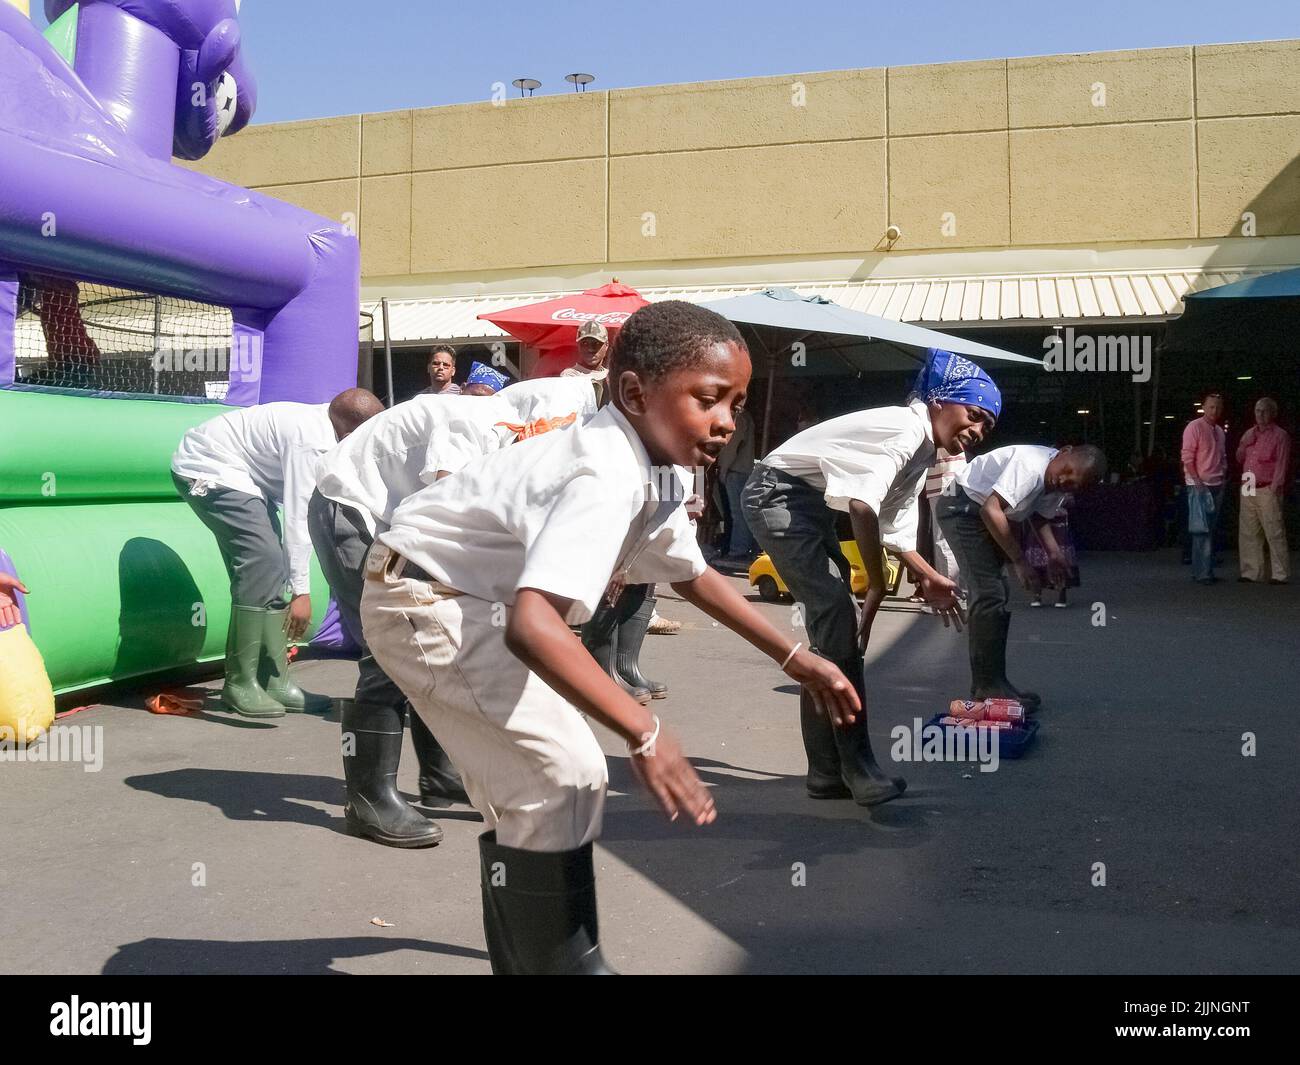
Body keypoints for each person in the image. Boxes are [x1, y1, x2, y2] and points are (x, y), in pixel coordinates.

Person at [359, 301, 858, 973]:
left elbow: (693, 574)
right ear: (633, 392)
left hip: (461, 597)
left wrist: (799, 657)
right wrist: (643, 731)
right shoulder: (605, 468)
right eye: (709, 399)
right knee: (562, 776)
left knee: (543, 789)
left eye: (737, 404)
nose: (726, 422)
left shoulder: (656, 467)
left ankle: (542, 962)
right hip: (424, 597)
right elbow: (536, 626)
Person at [311, 379, 597, 847]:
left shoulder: (517, 438)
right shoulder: (470, 422)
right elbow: (452, 511)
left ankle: (440, 778)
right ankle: (368, 798)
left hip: (395, 518)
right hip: (350, 507)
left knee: (439, 630)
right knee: (392, 642)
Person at [743, 348, 999, 807]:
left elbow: (891, 529)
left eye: (987, 428)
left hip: (803, 503)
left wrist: (927, 577)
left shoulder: (923, 452)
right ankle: (859, 770)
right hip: (776, 495)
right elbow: (862, 505)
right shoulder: (906, 428)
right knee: (836, 620)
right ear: (940, 401)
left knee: (833, 636)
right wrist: (878, 583)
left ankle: (826, 774)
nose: (976, 432)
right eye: (974, 415)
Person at [171, 389, 383, 718]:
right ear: (351, 431)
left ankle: (274, 681)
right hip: (208, 467)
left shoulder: (332, 427)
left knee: (269, 570)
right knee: (263, 561)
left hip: (245, 476)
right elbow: (298, 518)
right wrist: (301, 592)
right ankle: (240, 682)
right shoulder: (312, 442)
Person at [937, 444, 1106, 707]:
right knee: (989, 593)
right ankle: (987, 688)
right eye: (1067, 471)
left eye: (1071, 485)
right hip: (961, 507)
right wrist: (1020, 561)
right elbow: (991, 509)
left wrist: (1055, 554)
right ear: (1064, 451)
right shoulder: (1031, 464)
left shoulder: (1056, 482)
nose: (1062, 481)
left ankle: (997, 683)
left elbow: (1039, 517)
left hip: (978, 510)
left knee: (996, 593)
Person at [1236, 397, 1290, 585]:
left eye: (1264, 411)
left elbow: (1282, 464)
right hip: (1248, 485)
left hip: (1267, 486)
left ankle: (1279, 573)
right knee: (1248, 531)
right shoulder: (1249, 433)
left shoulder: (1280, 435)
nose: (1260, 414)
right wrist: (1244, 443)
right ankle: (1251, 572)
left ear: (1273, 413)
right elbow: (1239, 458)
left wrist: (1275, 488)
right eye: (1257, 410)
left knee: (1274, 531)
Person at [1181, 392, 1227, 585]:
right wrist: (1197, 480)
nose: (1214, 411)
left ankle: (1203, 570)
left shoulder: (1219, 431)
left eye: (1217, 407)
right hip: (1200, 485)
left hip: (1216, 483)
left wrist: (1223, 475)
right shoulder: (1194, 427)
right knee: (1201, 530)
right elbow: (1187, 457)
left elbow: (1222, 456)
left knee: (1209, 530)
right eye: (1211, 407)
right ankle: (1202, 573)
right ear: (1204, 407)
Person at [717, 406, 757, 562]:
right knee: (740, 512)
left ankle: (737, 550)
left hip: (735, 469)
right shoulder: (747, 417)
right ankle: (739, 547)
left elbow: (733, 446)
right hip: (742, 468)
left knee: (736, 513)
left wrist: (724, 469)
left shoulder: (739, 418)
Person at [1024, 496, 1079, 607]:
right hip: (1045, 527)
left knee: (1057, 560)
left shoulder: (1056, 488)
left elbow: (1071, 501)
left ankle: (1052, 597)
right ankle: (1043, 597)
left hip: (1053, 524)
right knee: (1042, 561)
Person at [559, 320, 611, 405]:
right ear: (578, 346)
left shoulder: (611, 376)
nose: (590, 349)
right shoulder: (570, 376)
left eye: (596, 343)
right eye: (585, 343)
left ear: (606, 345)